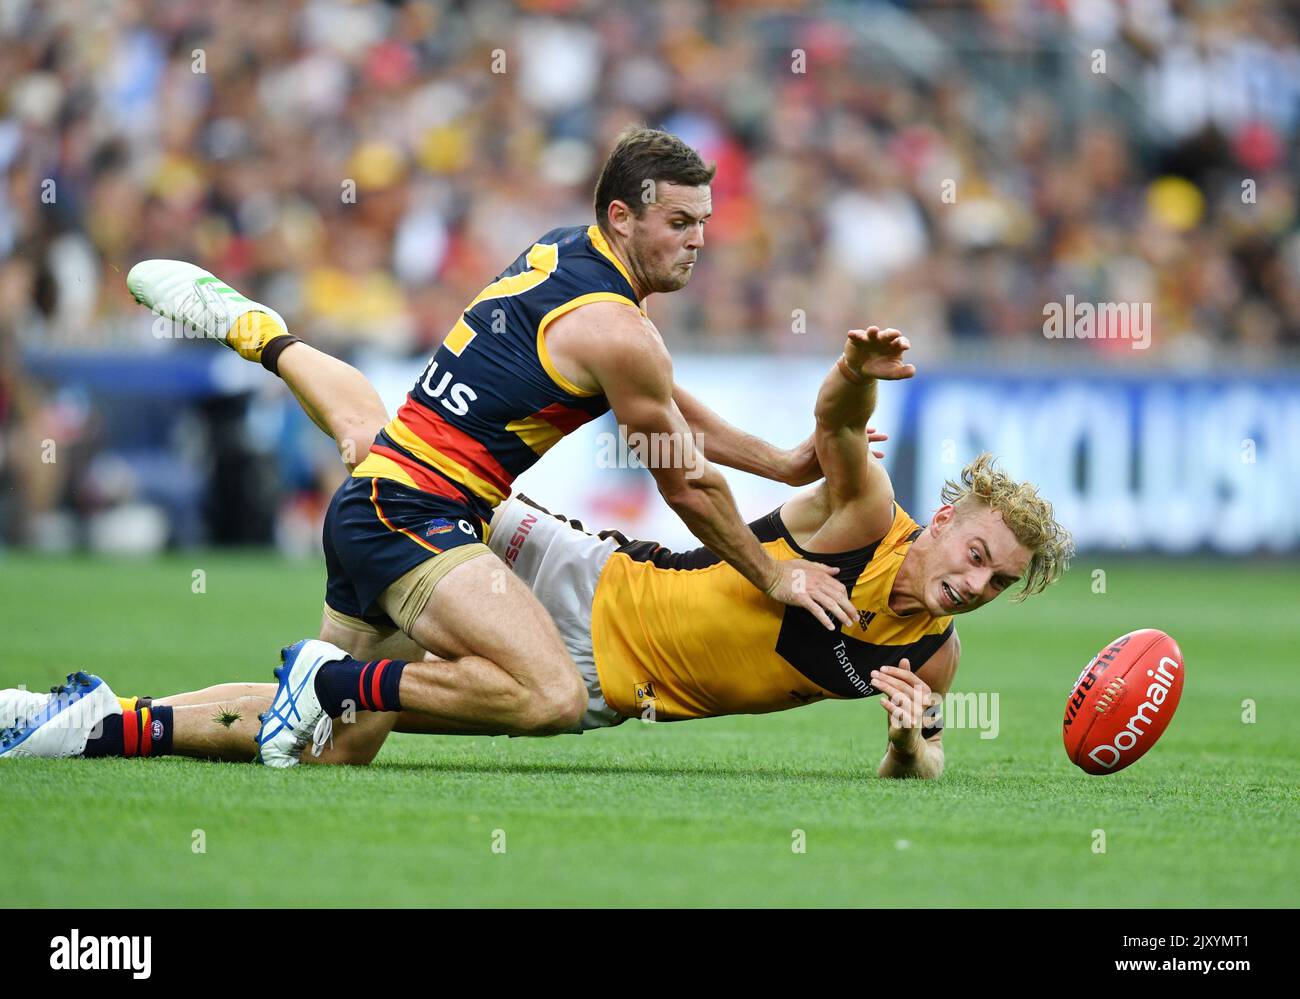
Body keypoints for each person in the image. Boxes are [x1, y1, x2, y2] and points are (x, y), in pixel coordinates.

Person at [1, 327, 1074, 780]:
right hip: (583, 571)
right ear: (942, 518)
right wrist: (859, 371)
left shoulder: (929, 662)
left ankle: (83, 727)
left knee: (343, 740)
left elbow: (920, 764)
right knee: (393, 461)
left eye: (996, 581)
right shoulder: (866, 522)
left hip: (611, 686)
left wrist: (908, 747)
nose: (974, 584)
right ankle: (271, 342)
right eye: (975, 551)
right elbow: (836, 431)